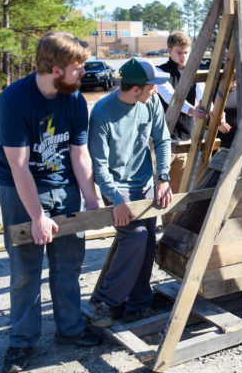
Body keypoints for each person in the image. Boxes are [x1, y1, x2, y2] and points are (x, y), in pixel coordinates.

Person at [0, 31, 101, 372]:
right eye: (78, 66)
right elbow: (19, 166)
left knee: (67, 263)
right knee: (25, 269)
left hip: (63, 186)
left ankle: (70, 329)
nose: (83, 72)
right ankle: (21, 341)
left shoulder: (74, 99)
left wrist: (91, 199)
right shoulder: (13, 101)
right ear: (55, 69)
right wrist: (37, 216)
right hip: (19, 187)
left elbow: (79, 153)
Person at [89, 58, 173, 328]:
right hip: (117, 187)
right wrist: (116, 198)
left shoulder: (151, 102)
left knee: (147, 240)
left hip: (146, 184)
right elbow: (99, 167)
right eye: (152, 87)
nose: (156, 90)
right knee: (135, 236)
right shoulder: (102, 113)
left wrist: (164, 178)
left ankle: (139, 304)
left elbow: (162, 140)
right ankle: (106, 302)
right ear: (135, 89)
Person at [156, 32, 207, 194]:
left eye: (186, 52)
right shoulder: (160, 71)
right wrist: (192, 110)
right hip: (162, 141)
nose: (183, 56)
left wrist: (215, 114)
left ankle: (170, 220)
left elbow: (203, 96)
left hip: (185, 137)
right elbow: (171, 96)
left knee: (177, 190)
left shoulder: (194, 72)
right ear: (169, 50)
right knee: (157, 188)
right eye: (179, 52)